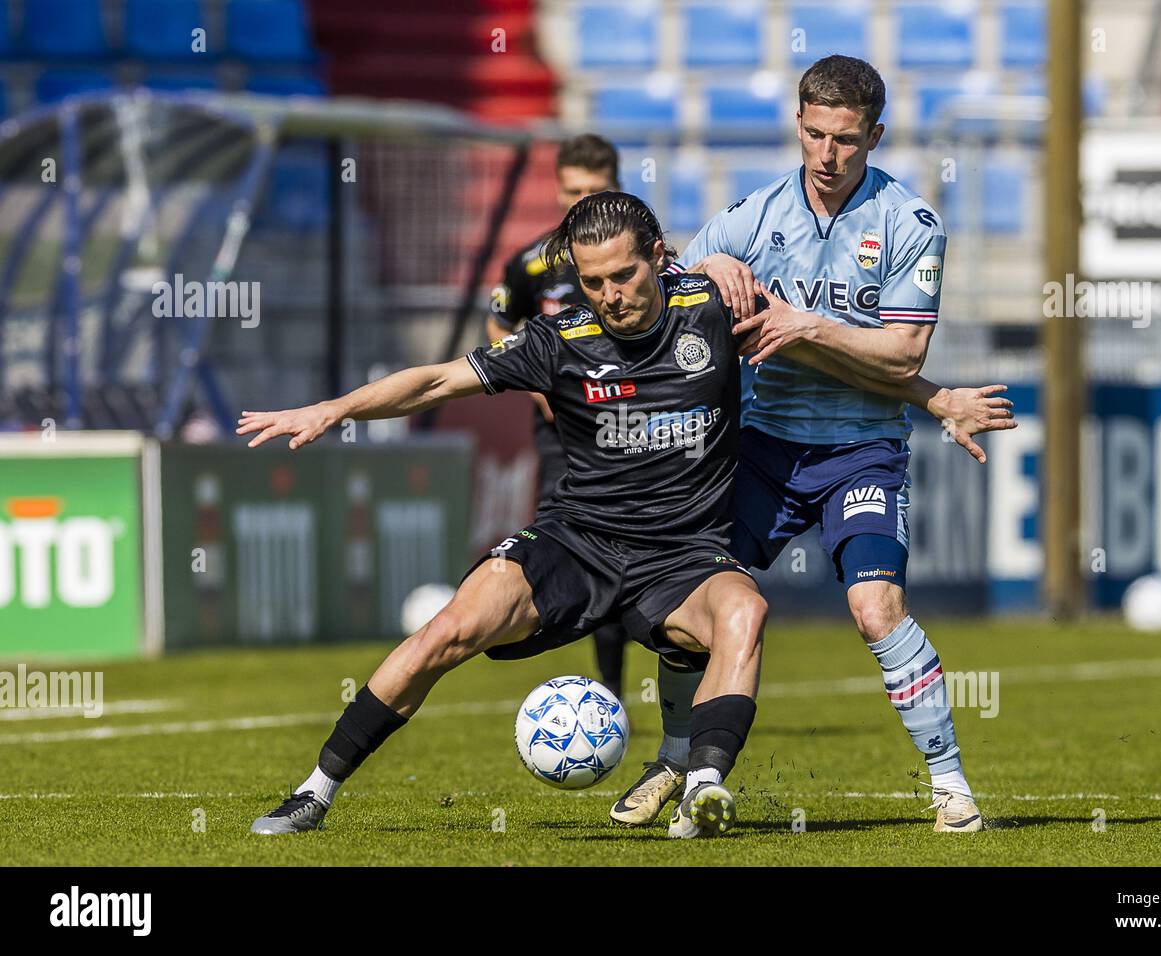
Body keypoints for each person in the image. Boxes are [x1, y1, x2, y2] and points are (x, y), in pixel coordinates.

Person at [240, 192, 768, 838]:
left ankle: (704, 789)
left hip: (682, 556)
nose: (610, 295)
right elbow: (436, 381)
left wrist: (917, 394)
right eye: (593, 282)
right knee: (448, 630)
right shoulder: (558, 340)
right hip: (576, 540)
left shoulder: (714, 311)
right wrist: (335, 409)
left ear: (658, 258)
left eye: (624, 276)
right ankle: (313, 793)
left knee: (746, 611)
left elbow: (807, 341)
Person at [610, 55, 1015, 834]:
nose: (826, 156)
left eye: (847, 141)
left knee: (875, 607)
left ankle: (951, 787)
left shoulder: (911, 224)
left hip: (860, 449)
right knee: (692, 596)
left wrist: (809, 324)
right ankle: (675, 759)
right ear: (797, 123)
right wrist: (708, 267)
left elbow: (901, 358)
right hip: (759, 444)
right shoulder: (750, 220)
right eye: (815, 134)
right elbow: (668, 296)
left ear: (876, 136)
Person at [486, 133, 630, 697]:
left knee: (631, 550)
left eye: (594, 190)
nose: (582, 201)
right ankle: (596, 686)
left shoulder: (634, 259)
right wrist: (534, 382)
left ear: (615, 186)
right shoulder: (533, 262)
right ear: (558, 188)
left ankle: (620, 688)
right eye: (573, 190)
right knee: (561, 541)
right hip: (560, 436)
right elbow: (499, 325)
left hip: (632, 431)